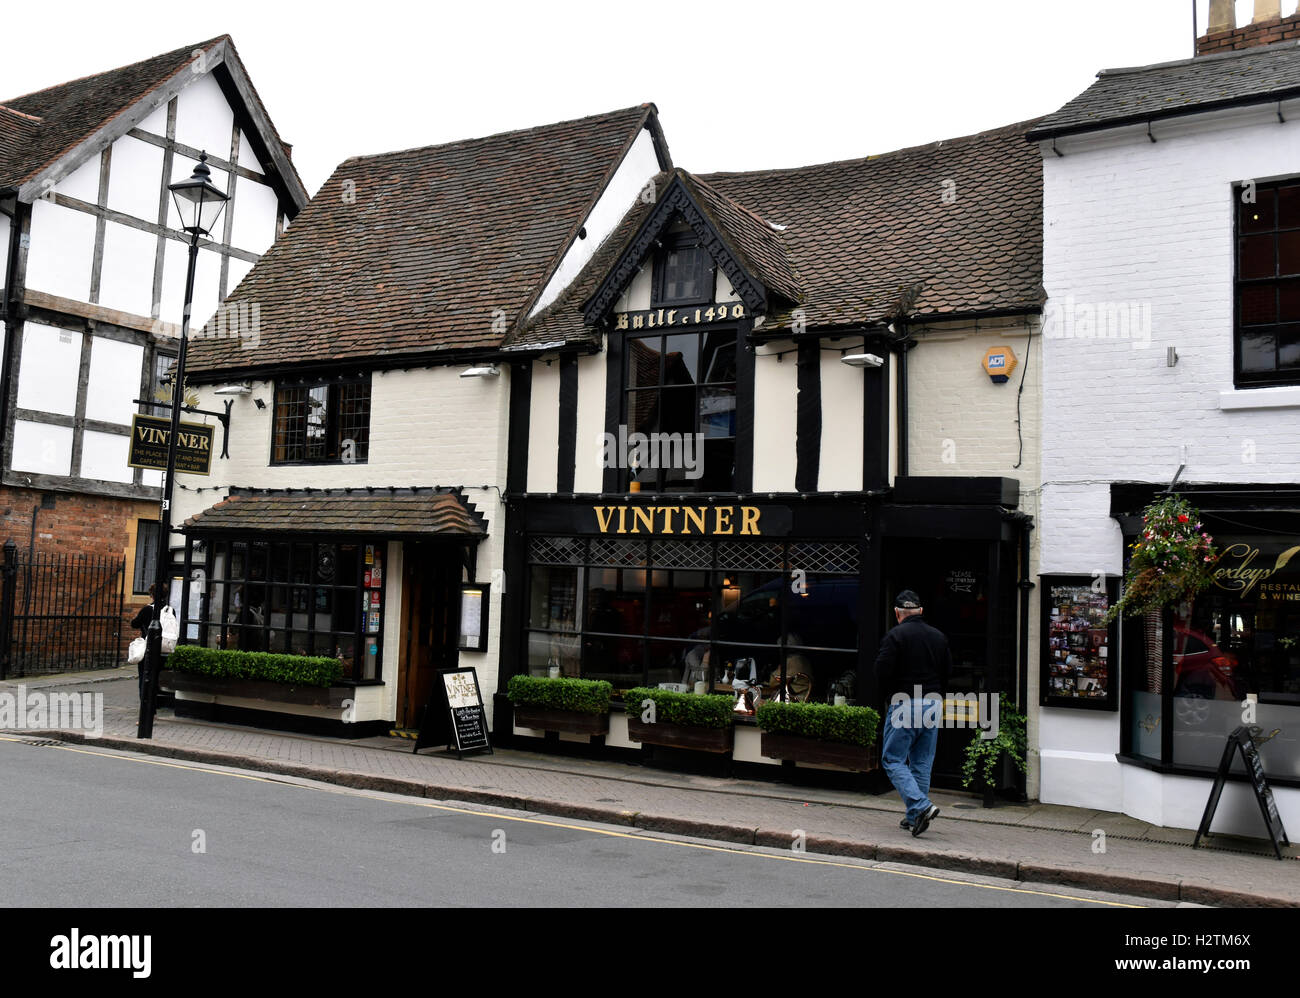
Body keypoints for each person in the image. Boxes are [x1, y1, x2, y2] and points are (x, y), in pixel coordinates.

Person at [875, 589, 952, 837]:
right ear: (920, 612)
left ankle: (921, 806)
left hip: (905, 702)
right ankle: (914, 817)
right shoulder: (938, 637)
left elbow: (881, 672)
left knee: (892, 759)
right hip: (932, 702)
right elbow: (948, 672)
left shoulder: (895, 636)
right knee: (921, 762)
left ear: (897, 613)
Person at [130, 582, 168, 702]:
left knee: (145, 680)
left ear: (152, 594)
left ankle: (146, 711)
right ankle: (155, 706)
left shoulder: (147, 609)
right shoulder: (169, 610)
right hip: (163, 649)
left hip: (148, 649)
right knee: (157, 680)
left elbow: (134, 624)